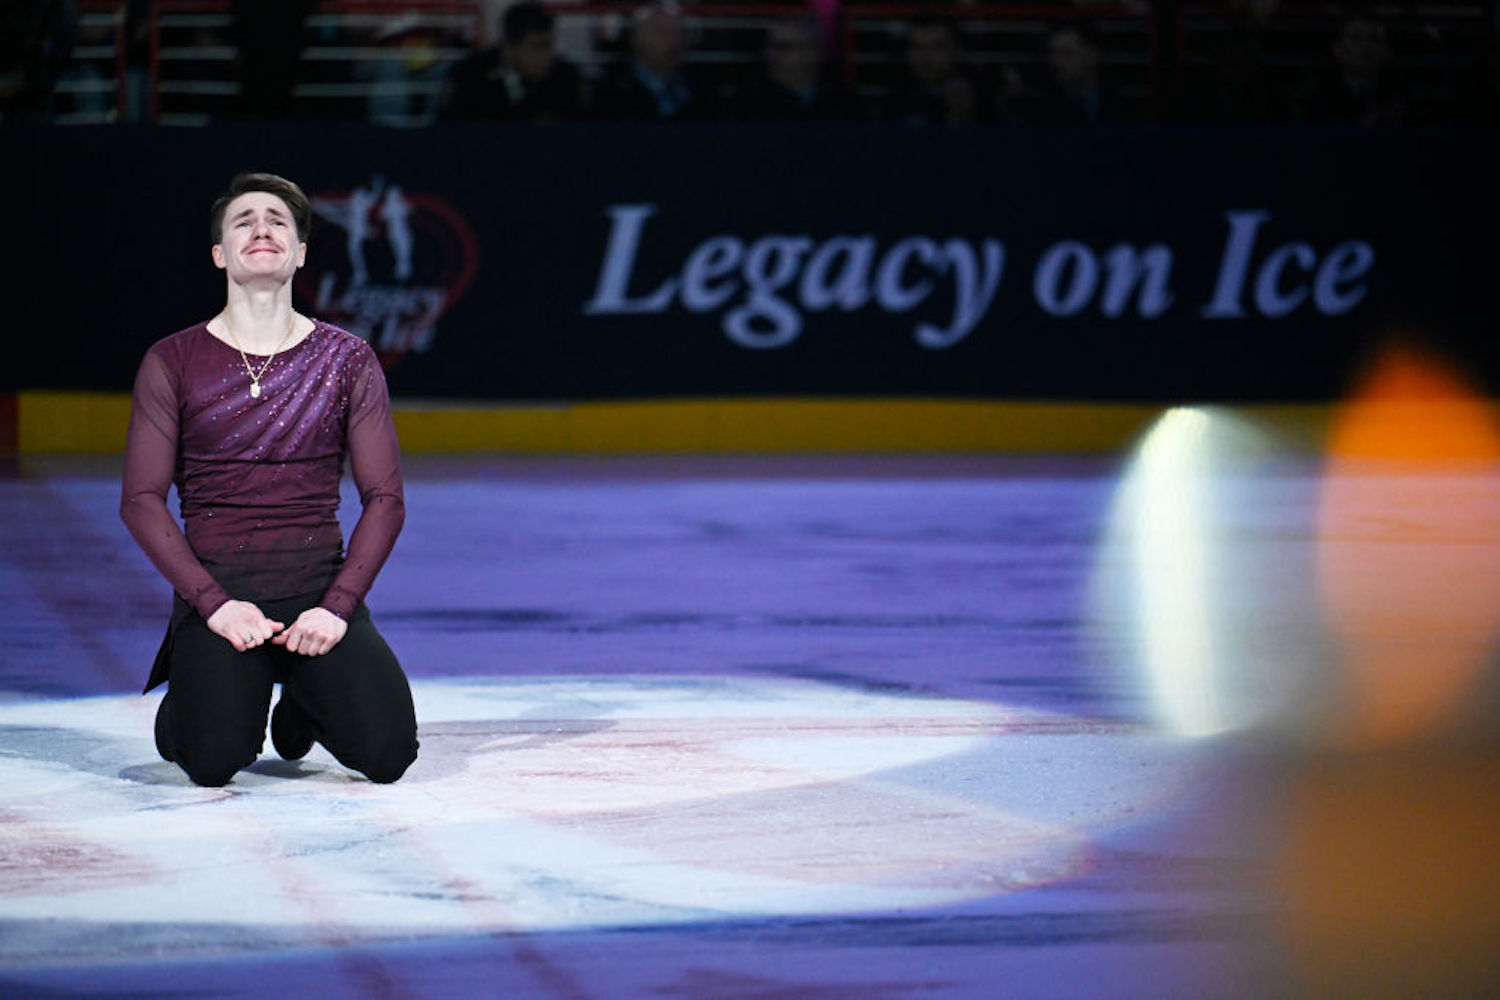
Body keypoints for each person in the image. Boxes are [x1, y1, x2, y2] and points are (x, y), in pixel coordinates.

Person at [121, 172, 419, 788]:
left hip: (317, 593)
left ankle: (304, 700)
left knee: (389, 756)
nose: (262, 228)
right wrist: (214, 605)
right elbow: (141, 501)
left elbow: (385, 500)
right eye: (244, 221)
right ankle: (185, 709)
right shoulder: (171, 360)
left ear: (300, 252)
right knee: (210, 763)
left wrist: (338, 608)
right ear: (220, 254)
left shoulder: (347, 359)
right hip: (221, 600)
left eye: (278, 220)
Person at [440, 0, 585, 122]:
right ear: (508, 48)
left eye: (549, 46)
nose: (546, 57)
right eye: (536, 48)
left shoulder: (565, 78)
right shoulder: (471, 77)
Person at [592, 0, 713, 122]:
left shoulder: (700, 86)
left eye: (678, 33)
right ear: (637, 38)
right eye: (661, 33)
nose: (673, 41)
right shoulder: (614, 93)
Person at [730, 13, 861, 123]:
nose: (772, 54)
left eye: (784, 47)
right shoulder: (749, 101)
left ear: (813, 53)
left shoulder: (844, 101)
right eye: (769, 47)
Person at [880, 14, 988, 126]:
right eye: (918, 47)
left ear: (957, 51)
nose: (926, 57)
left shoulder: (980, 94)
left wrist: (963, 117)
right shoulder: (896, 97)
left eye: (937, 47)